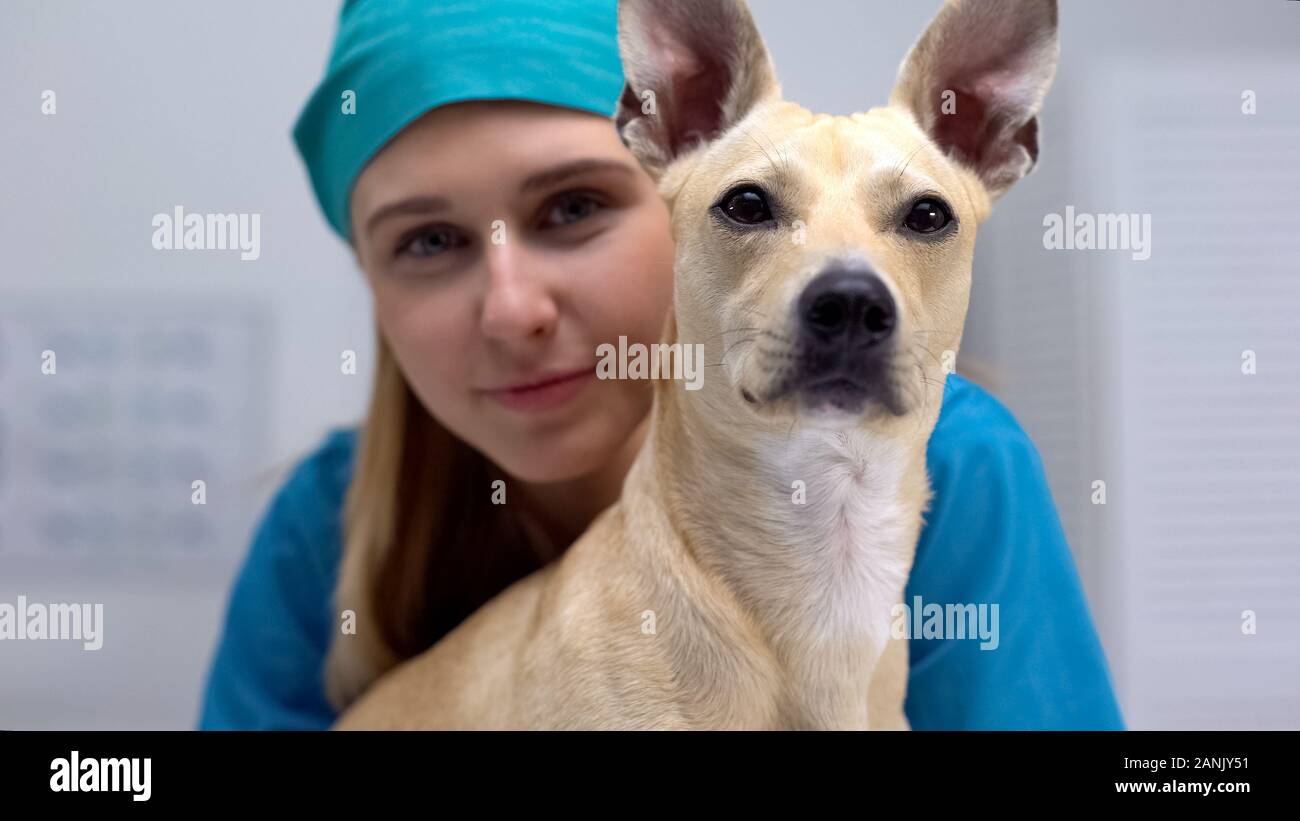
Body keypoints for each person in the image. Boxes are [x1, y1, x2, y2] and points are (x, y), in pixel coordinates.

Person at [198, 0, 1124, 730]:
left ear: (659, 196)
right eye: (431, 240)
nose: (513, 307)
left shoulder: (953, 467)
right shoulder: (321, 526)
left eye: (571, 209)